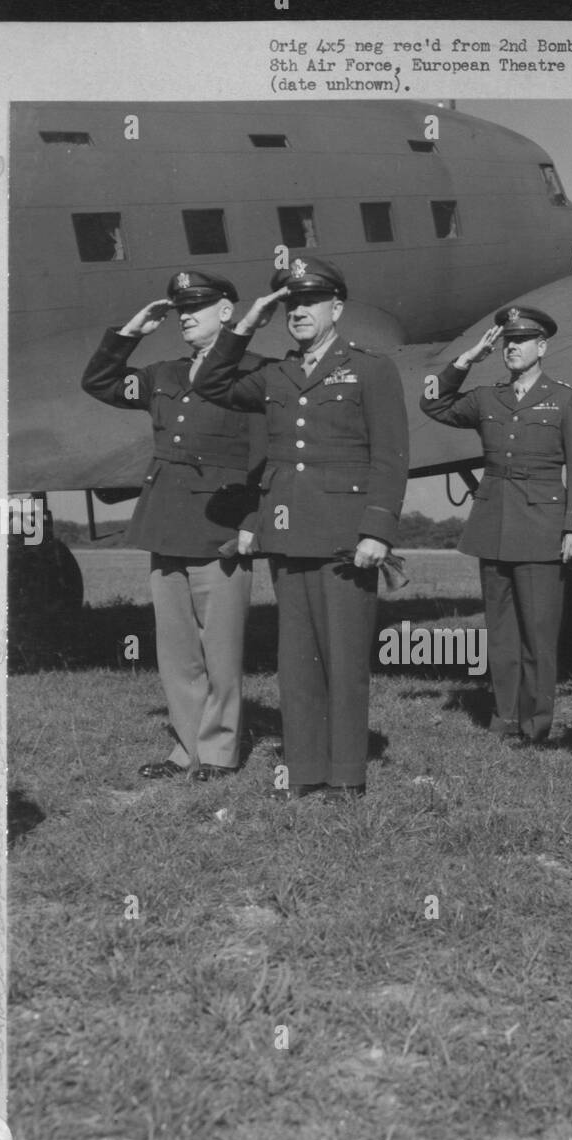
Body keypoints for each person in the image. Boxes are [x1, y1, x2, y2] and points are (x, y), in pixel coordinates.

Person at [195, 256, 409, 802]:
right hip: (287, 534)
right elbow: (212, 382)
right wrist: (247, 322)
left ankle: (345, 775)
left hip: (345, 537)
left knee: (343, 658)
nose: (298, 313)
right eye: (290, 305)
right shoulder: (275, 372)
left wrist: (378, 531)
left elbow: (389, 456)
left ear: (336, 307)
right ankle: (304, 769)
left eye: (310, 302)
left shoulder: (370, 367)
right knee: (296, 662)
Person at [81, 270, 263, 782]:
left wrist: (252, 524)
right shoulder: (164, 374)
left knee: (221, 652)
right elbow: (99, 382)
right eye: (181, 308)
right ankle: (188, 750)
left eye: (198, 307)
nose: (185, 316)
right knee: (177, 650)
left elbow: (264, 459)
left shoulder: (255, 375)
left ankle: (221, 753)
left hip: (221, 528)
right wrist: (131, 332)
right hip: (165, 524)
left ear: (227, 312)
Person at [420, 306, 572, 742]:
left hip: (541, 524)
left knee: (538, 631)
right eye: (505, 342)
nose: (511, 347)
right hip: (494, 523)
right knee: (499, 632)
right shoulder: (486, 398)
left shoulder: (567, 399)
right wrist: (466, 359)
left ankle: (537, 724)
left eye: (521, 340)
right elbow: (433, 402)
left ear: (542, 346)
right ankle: (505, 716)